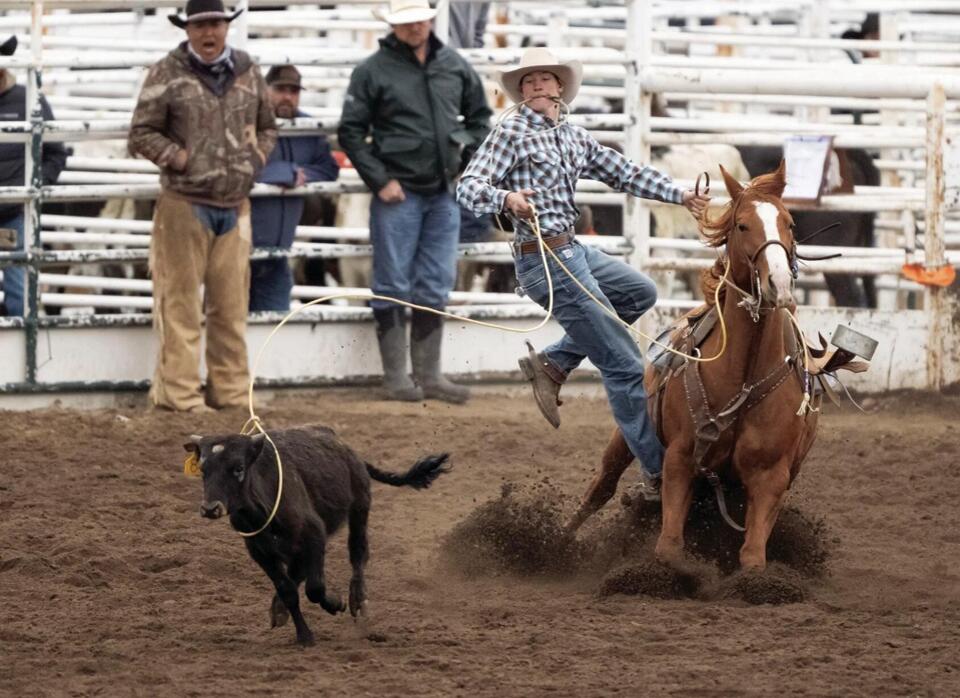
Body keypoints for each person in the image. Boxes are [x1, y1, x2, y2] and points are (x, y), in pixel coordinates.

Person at [457, 48, 709, 499]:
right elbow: (469, 186)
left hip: (570, 251)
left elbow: (623, 172)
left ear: (558, 88)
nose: (535, 84)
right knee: (625, 364)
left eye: (543, 78)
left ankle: (554, 361)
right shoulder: (511, 131)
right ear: (522, 92)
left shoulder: (571, 136)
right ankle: (658, 475)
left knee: (639, 291)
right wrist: (507, 199)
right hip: (545, 259)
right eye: (527, 80)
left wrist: (679, 193)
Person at [338, 0, 491, 404]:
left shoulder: (453, 65)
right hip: (401, 190)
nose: (416, 27)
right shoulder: (373, 70)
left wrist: (463, 150)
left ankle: (426, 376)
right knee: (393, 281)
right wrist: (380, 179)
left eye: (420, 19)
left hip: (440, 190)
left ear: (430, 18)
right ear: (395, 25)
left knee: (435, 280)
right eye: (408, 22)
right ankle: (400, 377)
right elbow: (351, 131)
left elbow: (479, 119)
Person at [128, 0, 277, 412]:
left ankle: (229, 393)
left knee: (230, 306)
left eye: (214, 24)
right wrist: (180, 159)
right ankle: (181, 394)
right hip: (184, 202)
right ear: (187, 30)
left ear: (226, 27)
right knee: (181, 304)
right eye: (200, 26)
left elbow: (267, 126)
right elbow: (141, 132)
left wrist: (256, 158)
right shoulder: (167, 72)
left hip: (234, 203)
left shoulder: (248, 70)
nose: (208, 33)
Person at [249, 64, 339, 312]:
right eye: (280, 89)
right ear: (265, 90)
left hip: (279, 251)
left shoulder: (307, 127)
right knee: (230, 325)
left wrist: (302, 174)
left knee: (275, 323)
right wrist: (284, 173)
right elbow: (237, 166)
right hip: (239, 248)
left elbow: (329, 168)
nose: (288, 96)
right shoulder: (247, 123)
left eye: (294, 90)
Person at [0, 35, 67, 317]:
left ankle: (16, 358)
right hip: (16, 210)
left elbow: (54, 152)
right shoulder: (27, 97)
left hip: (16, 210)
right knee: (19, 288)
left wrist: (35, 187)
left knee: (19, 292)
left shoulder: (28, 99)